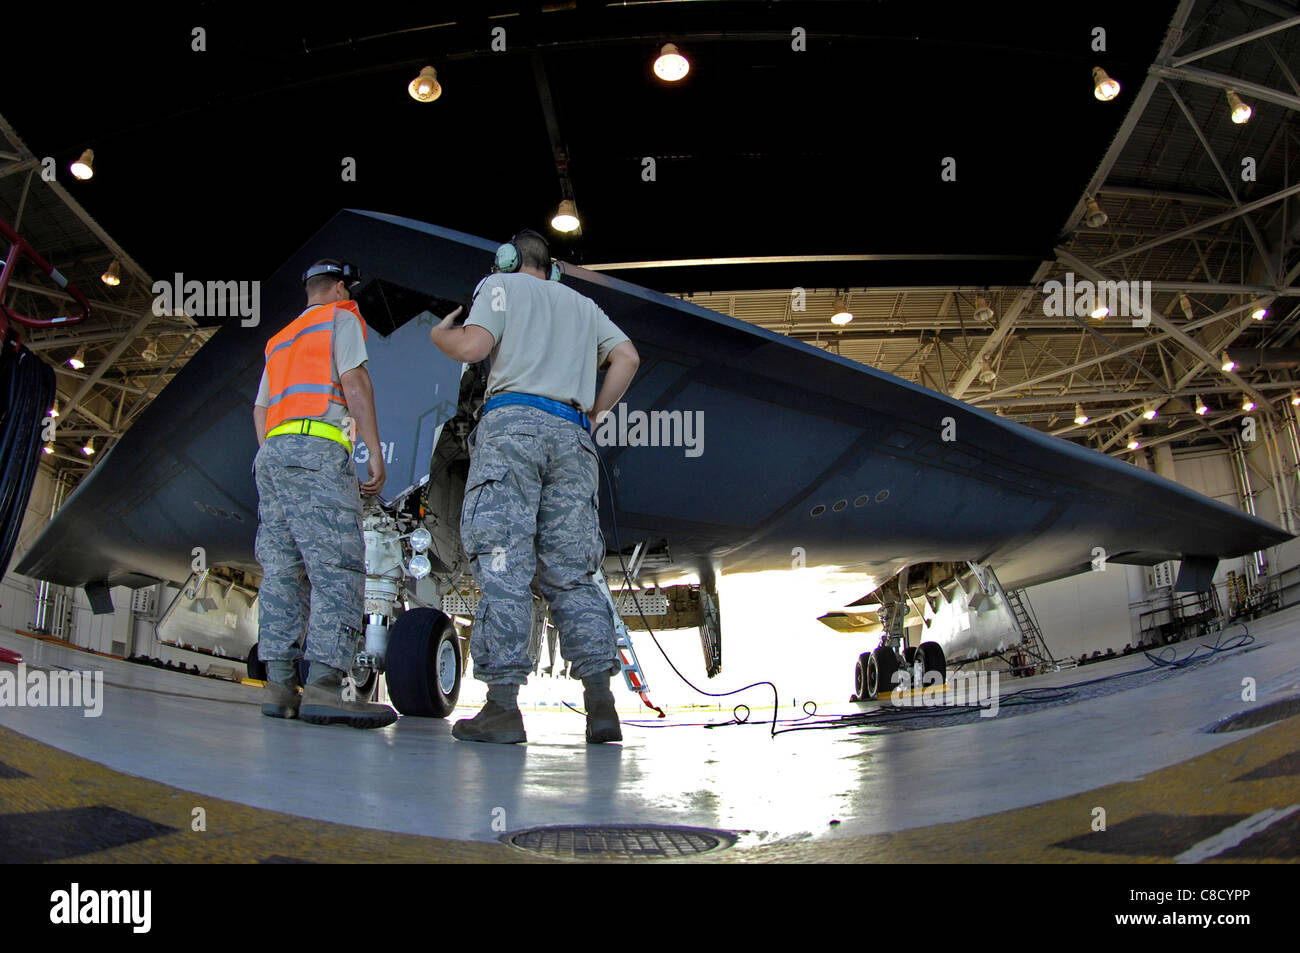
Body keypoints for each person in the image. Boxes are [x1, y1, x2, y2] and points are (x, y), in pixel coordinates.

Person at [429, 229, 640, 744]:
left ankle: (502, 708)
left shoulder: (499, 287)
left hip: (512, 428)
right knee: (573, 573)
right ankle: (601, 706)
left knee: (504, 565)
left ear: (508, 259)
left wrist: (441, 336)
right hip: (572, 435)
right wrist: (593, 412)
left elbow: (473, 346)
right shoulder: (583, 304)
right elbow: (628, 358)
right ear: (553, 268)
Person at [252, 258, 396, 729]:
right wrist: (373, 451)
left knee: (282, 570)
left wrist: (280, 452)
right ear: (338, 288)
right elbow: (355, 381)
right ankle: (325, 687)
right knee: (337, 566)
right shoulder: (343, 317)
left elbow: (260, 408)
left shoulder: (280, 339)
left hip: (272, 455)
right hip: (318, 449)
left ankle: (278, 686)